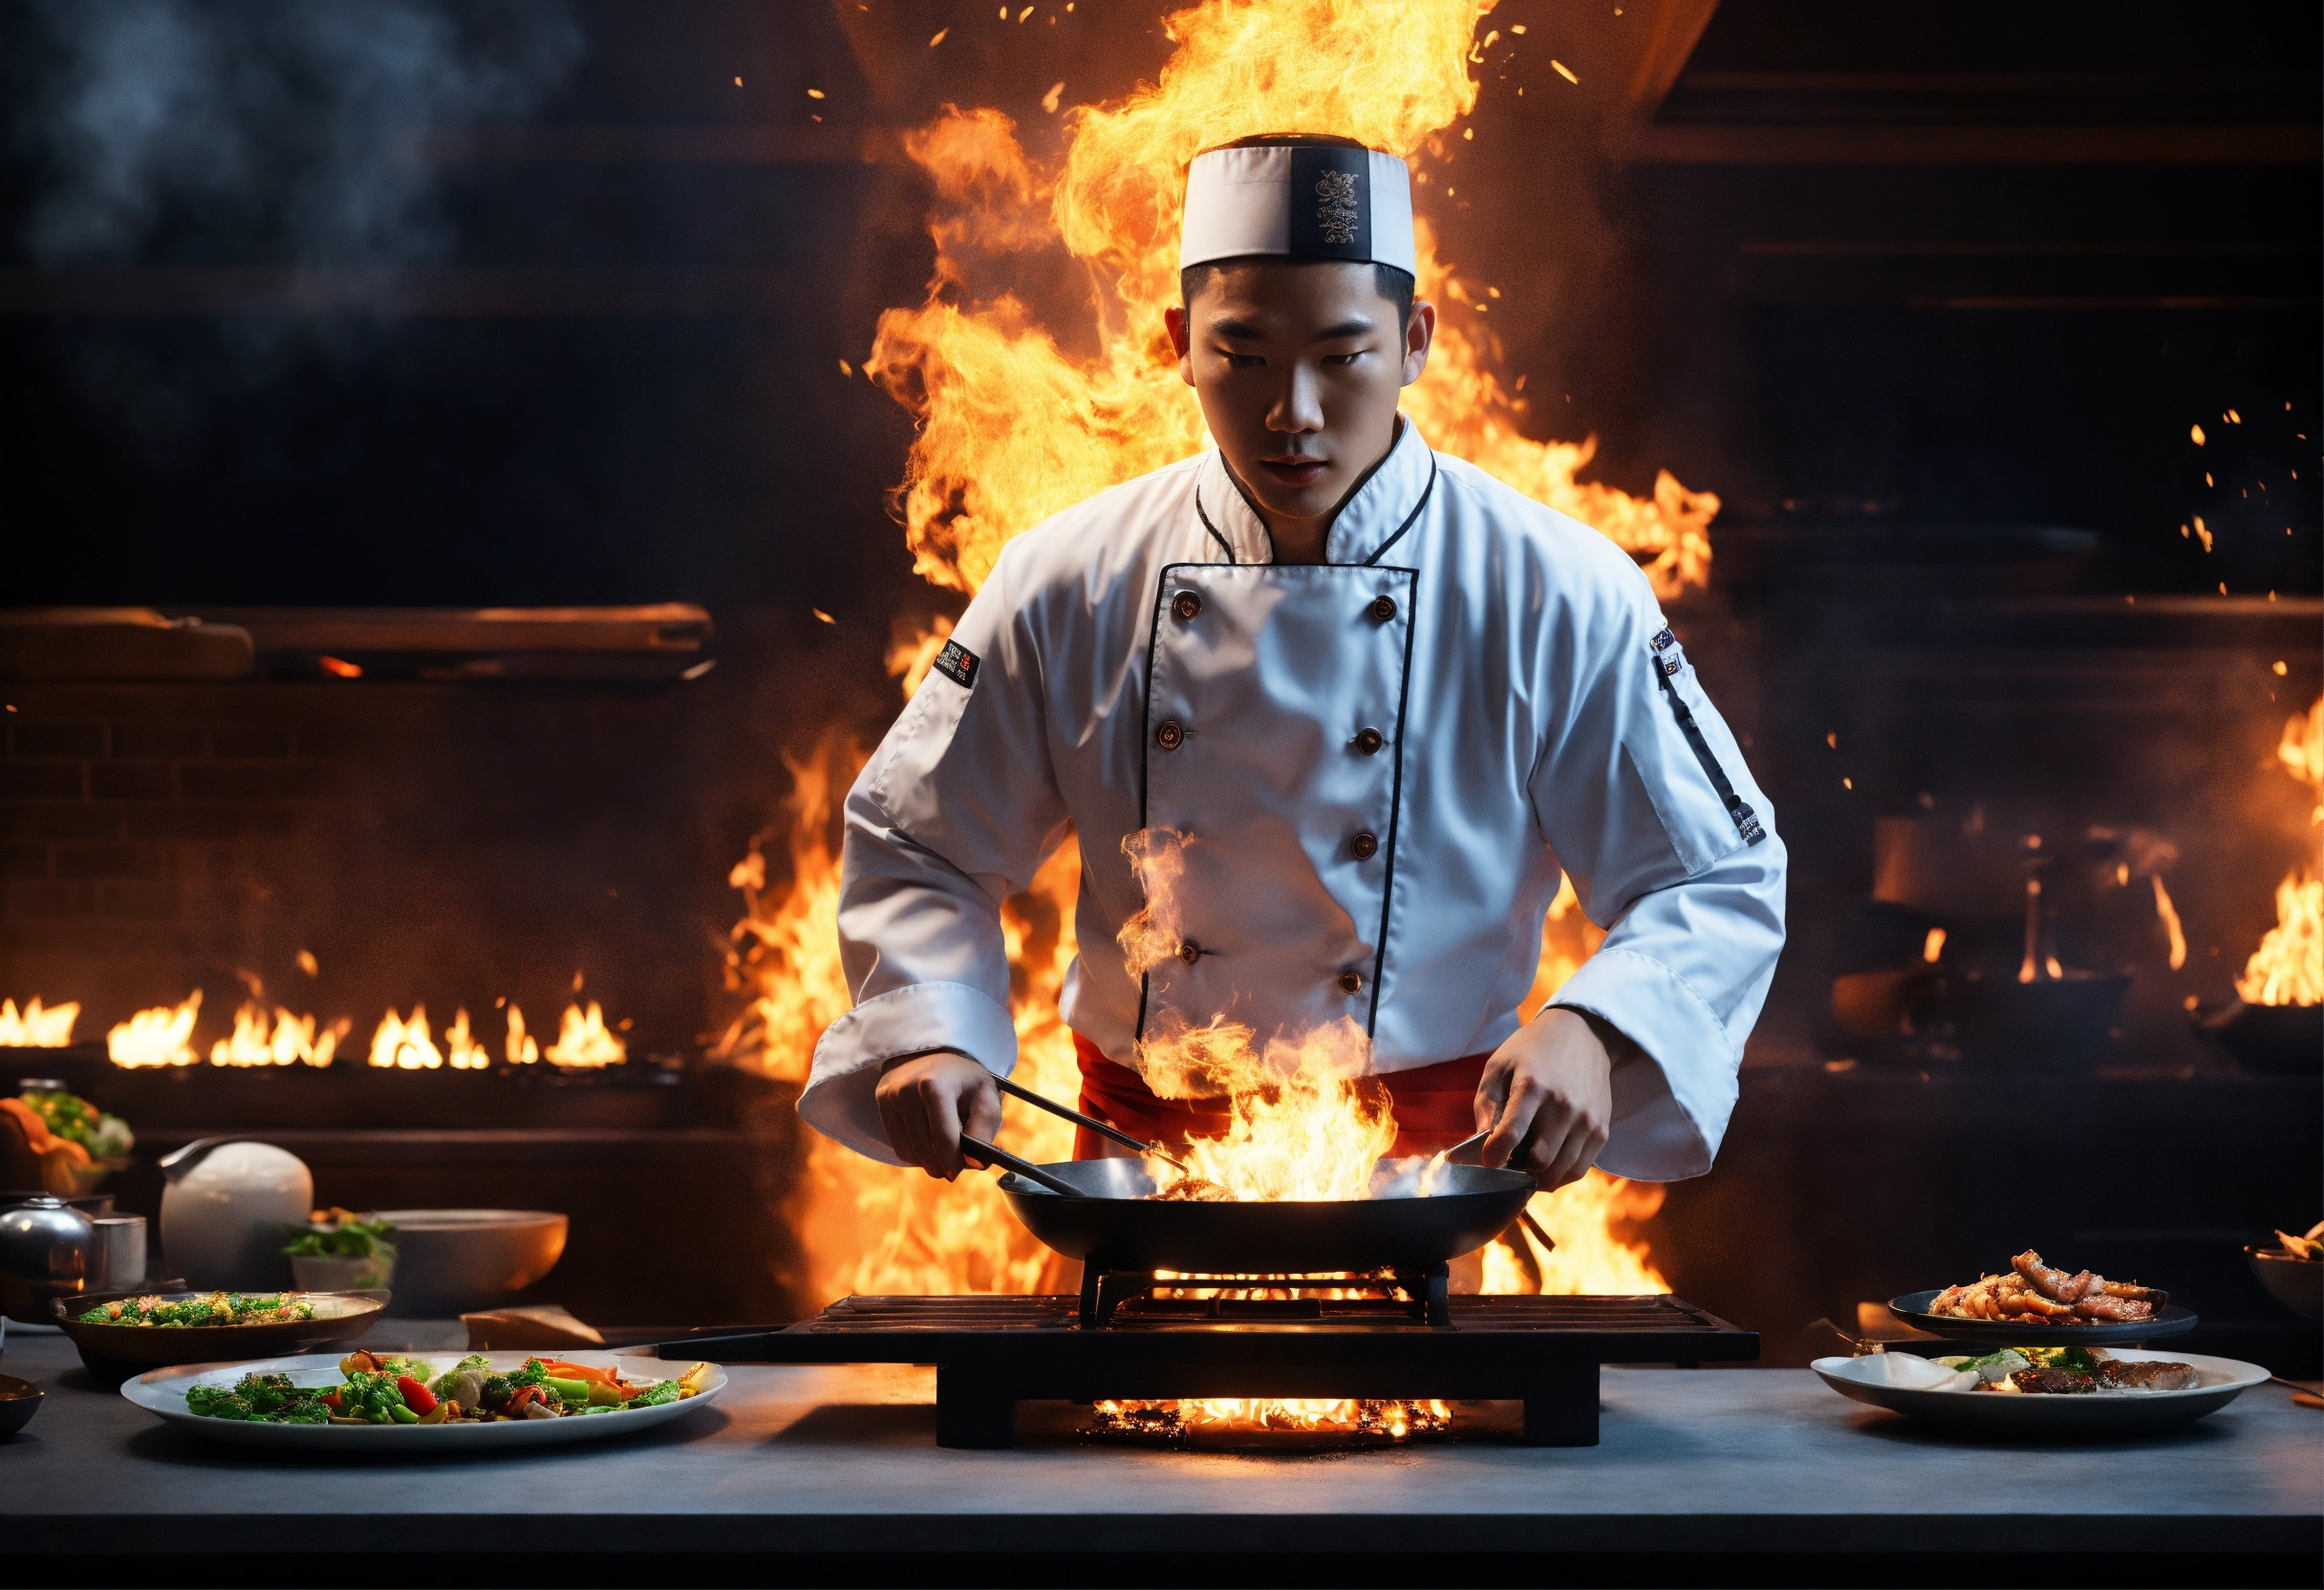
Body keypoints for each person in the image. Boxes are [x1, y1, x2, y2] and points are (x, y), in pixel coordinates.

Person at [800, 134, 1786, 1192]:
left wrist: (1594, 1025)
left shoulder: (1557, 588)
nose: (1294, 414)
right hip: (1144, 1181)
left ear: (1414, 341)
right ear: (1180, 344)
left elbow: (1714, 873)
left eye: (1342, 356)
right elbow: (921, 841)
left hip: (1428, 1184)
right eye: (1246, 355)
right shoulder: (1067, 578)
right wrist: (934, 1030)